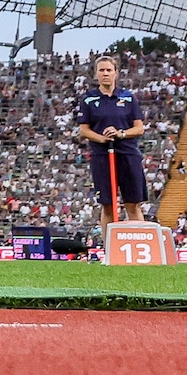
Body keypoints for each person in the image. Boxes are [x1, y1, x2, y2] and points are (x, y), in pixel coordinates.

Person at [74, 54, 149, 241]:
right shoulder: (89, 99)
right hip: (101, 155)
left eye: (109, 70)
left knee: (133, 204)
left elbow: (139, 128)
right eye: (102, 70)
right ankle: (109, 250)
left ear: (116, 73)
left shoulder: (128, 98)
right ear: (96, 74)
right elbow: (83, 130)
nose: (105, 74)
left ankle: (139, 245)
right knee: (107, 204)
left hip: (128, 153)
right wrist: (102, 138)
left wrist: (120, 134)